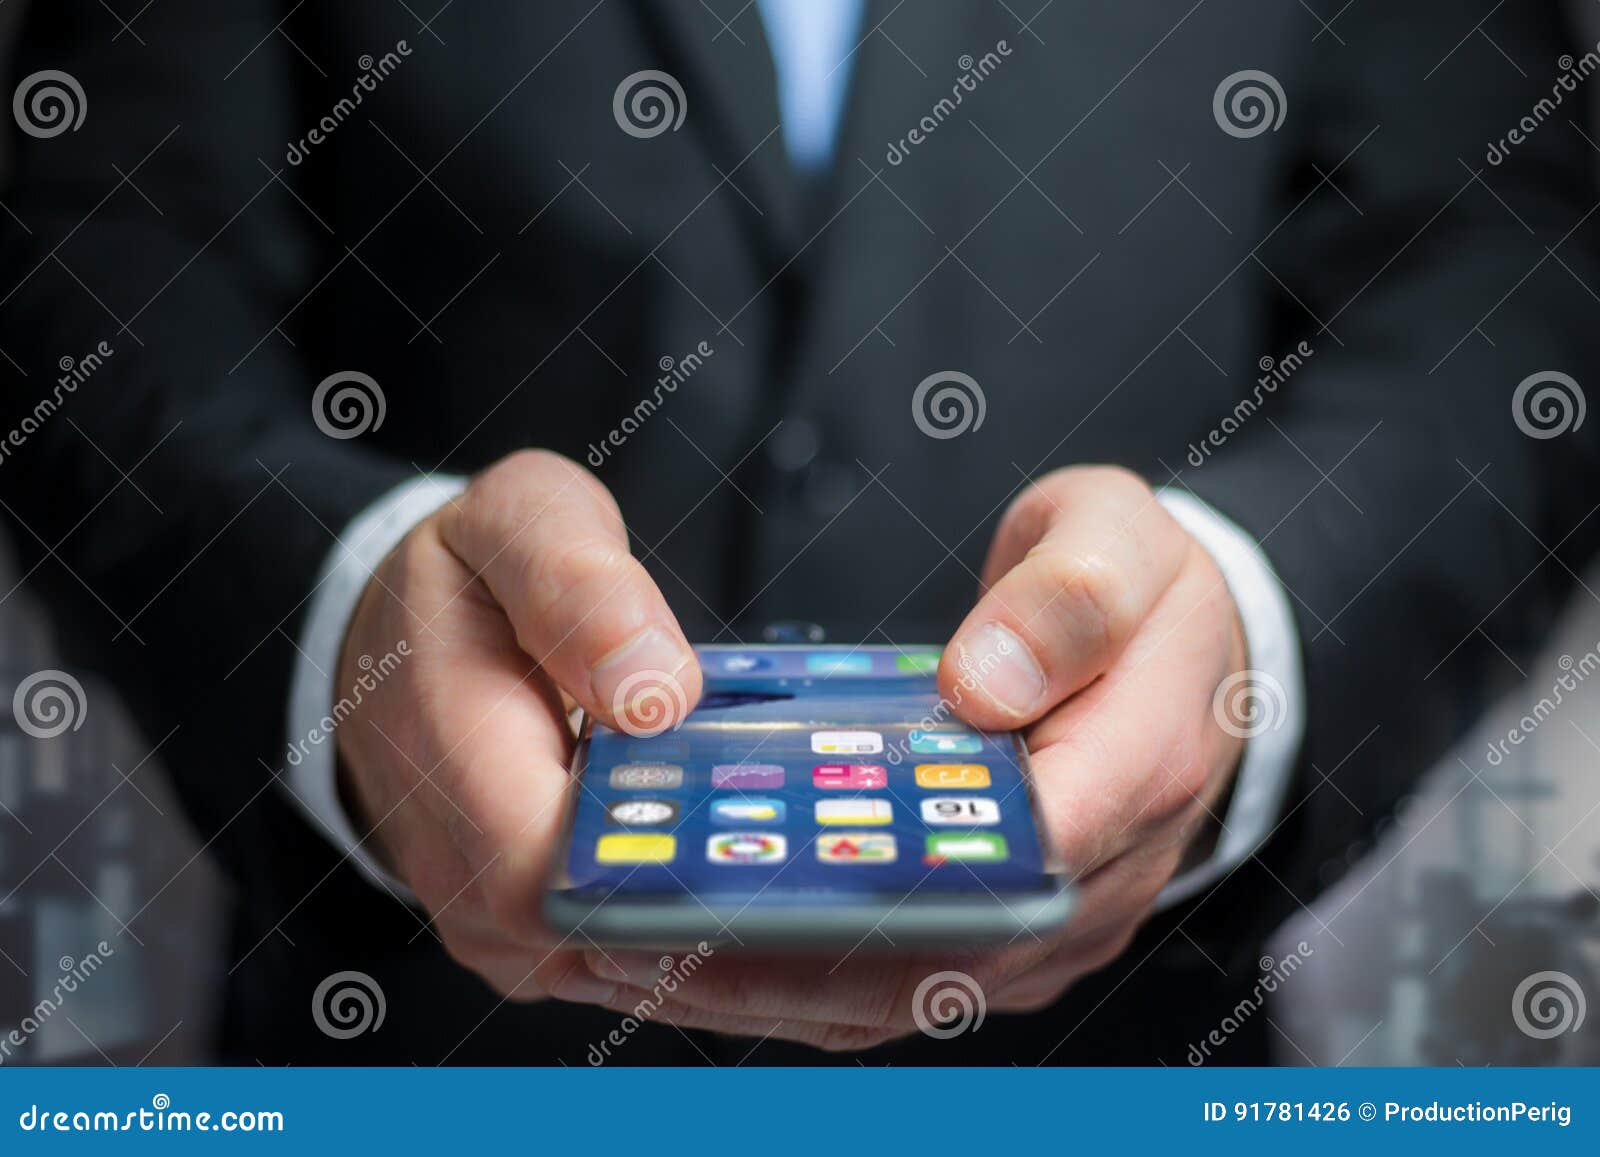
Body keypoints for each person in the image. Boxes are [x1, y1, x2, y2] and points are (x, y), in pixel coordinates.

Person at [2, 0, 1596, 1064]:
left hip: (1118, 1057)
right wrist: (348, 610)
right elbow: (97, 261)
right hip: (424, 1051)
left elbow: (1509, 280)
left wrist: (1249, 624)